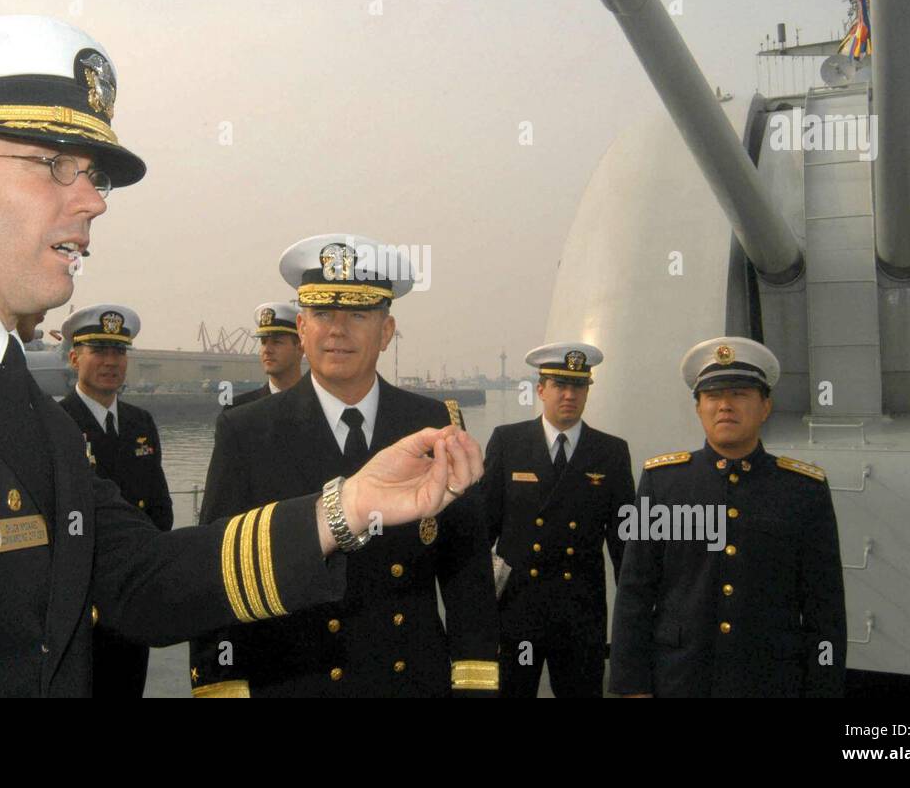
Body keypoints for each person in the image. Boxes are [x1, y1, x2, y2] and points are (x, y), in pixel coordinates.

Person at [0, 17, 483, 697]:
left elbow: (144, 583)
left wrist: (347, 508)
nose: (94, 201)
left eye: (96, 176)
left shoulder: (42, 425)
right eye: (58, 165)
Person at [190, 234, 499, 697]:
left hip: (409, 682)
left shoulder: (433, 426)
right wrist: (223, 686)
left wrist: (474, 682)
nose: (338, 330)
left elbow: (466, 572)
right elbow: (221, 571)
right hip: (294, 680)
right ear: (301, 329)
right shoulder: (247, 431)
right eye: (322, 313)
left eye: (358, 313)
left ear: (387, 331)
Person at [608, 337, 847, 697]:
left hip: (770, 683)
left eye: (739, 394)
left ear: (765, 406)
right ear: (698, 408)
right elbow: (635, 593)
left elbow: (824, 606)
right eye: (713, 396)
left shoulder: (803, 490)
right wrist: (632, 686)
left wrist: (824, 688)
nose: (725, 406)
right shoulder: (662, 483)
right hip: (680, 680)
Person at [482, 342, 634, 698]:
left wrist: (632, 625)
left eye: (578, 386)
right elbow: (483, 529)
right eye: (559, 385)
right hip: (518, 614)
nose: (569, 395)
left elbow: (624, 546)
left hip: (580, 616)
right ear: (540, 389)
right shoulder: (508, 442)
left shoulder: (610, 452)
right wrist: (476, 610)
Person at [58, 303, 174, 696]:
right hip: (81, 601)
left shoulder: (141, 423)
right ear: (75, 357)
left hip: (133, 595)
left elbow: (160, 508)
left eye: (119, 352)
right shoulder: (57, 423)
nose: (111, 361)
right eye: (99, 351)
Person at [227, 301, 304, 408]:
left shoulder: (322, 406)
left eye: (276, 342)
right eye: (263, 342)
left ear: (300, 347)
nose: (267, 350)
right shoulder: (238, 409)